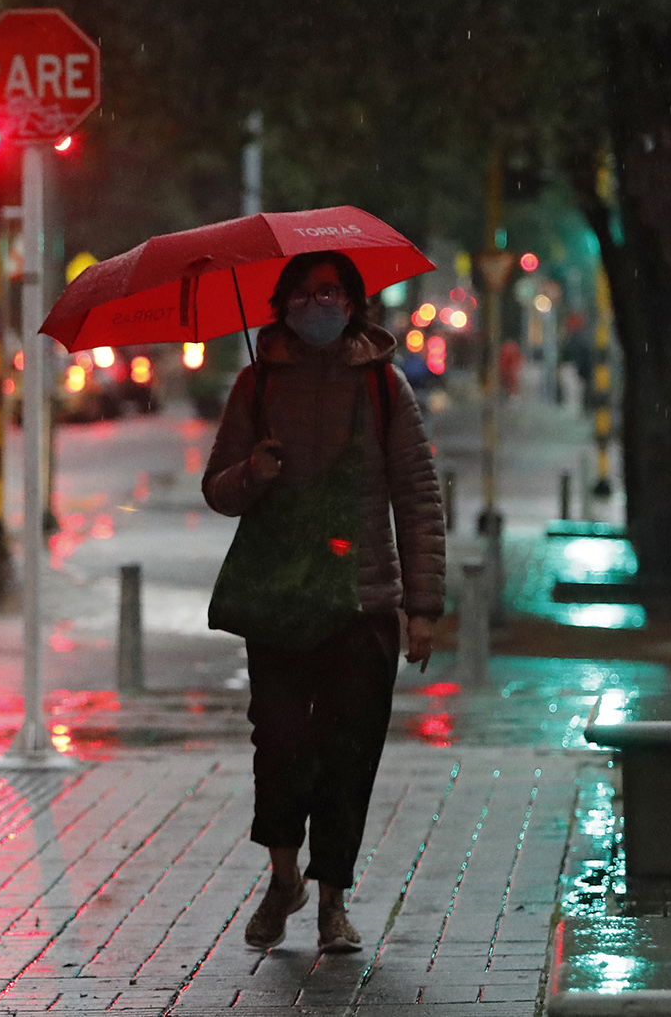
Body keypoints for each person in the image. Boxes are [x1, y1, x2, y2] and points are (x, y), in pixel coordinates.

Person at [202, 251, 445, 954]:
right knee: (279, 745)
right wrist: (254, 471)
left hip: (362, 604)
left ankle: (333, 900)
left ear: (353, 302)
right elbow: (217, 489)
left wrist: (423, 605)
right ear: (283, 304)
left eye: (331, 292)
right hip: (279, 601)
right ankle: (284, 879)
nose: (318, 305)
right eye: (305, 294)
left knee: (348, 754)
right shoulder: (255, 384)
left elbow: (418, 497)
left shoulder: (384, 386)